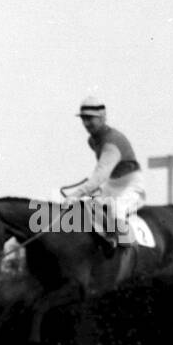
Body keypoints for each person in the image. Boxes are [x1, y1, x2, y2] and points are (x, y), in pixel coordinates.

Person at [61, 95, 145, 253]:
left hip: (131, 185)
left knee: (116, 209)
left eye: (90, 119)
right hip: (112, 184)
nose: (86, 124)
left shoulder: (111, 142)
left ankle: (128, 251)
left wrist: (77, 193)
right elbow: (102, 174)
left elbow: (100, 174)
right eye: (83, 119)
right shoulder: (92, 140)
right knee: (86, 206)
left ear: (102, 118)